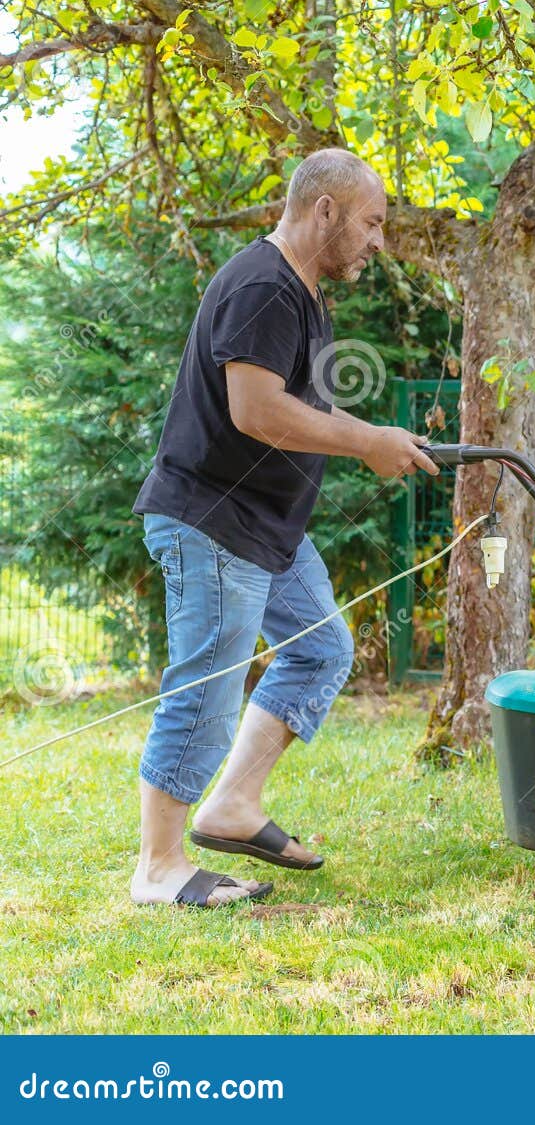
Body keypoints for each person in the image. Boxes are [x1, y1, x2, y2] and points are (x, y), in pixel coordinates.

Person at [129, 148, 439, 908]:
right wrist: (367, 441)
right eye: (371, 222)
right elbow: (256, 410)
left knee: (322, 647)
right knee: (206, 684)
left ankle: (232, 803)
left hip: (265, 527)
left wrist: (376, 436)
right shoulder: (265, 286)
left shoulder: (303, 294)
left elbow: (301, 408)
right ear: (324, 210)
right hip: (212, 520)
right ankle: (159, 865)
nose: (378, 240)